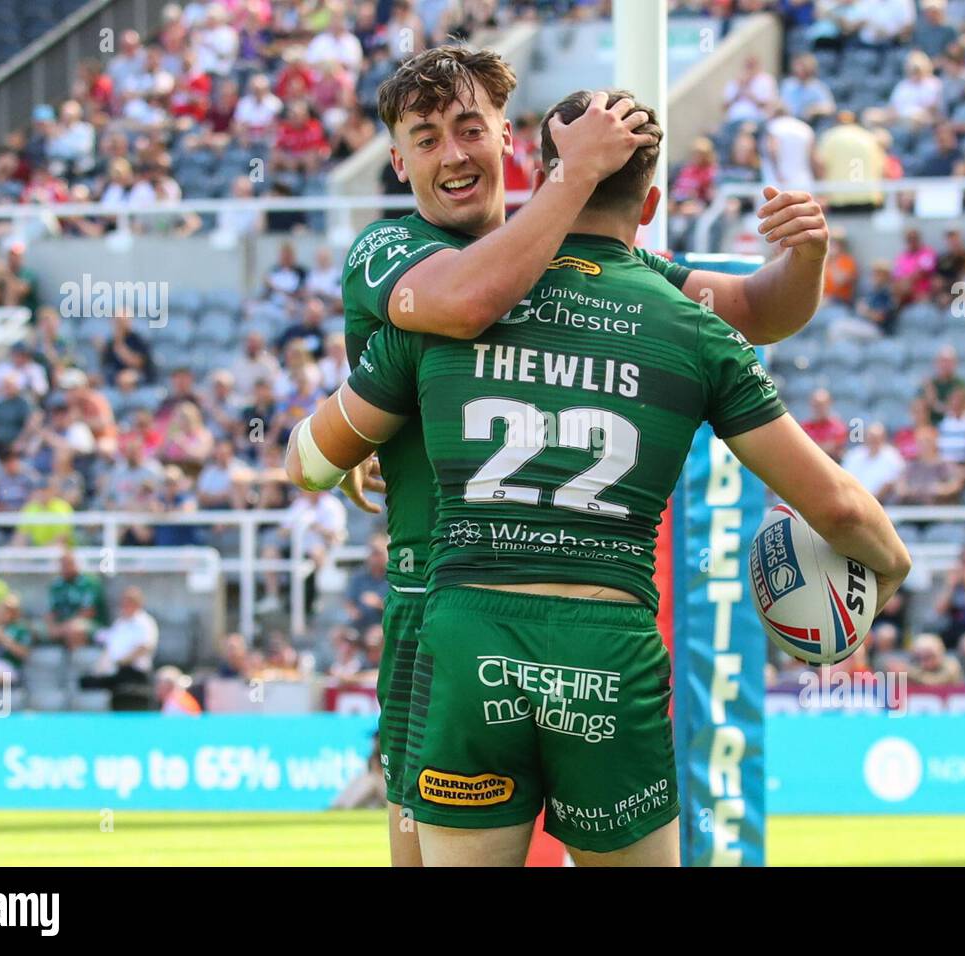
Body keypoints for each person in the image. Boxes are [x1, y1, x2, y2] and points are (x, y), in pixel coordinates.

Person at [287, 88, 909, 867]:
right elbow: (839, 506)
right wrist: (893, 566)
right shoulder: (691, 328)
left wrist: (355, 452)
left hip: (467, 629)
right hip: (608, 644)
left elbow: (307, 458)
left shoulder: (441, 310)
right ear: (650, 205)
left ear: (540, 168)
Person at [79, 586, 159, 709]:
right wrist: (100, 668)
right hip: (116, 671)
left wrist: (123, 661)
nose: (125, 605)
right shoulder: (120, 623)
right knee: (85, 681)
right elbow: (109, 648)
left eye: (129, 602)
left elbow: (145, 646)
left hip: (134, 673)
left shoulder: (144, 622)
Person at [46, 548, 110, 650]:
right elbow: (51, 612)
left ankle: (76, 662)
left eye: (68, 564)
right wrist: (52, 627)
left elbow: (88, 612)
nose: (65, 568)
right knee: (35, 629)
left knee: (75, 630)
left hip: (90, 625)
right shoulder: (57, 585)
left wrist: (65, 627)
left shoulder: (89, 583)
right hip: (63, 624)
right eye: (62, 564)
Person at [841, 422, 904, 501]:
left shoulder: (892, 457)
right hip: (854, 501)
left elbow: (890, 482)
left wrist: (870, 502)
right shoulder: (854, 456)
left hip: (882, 504)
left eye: (876, 438)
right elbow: (846, 480)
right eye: (871, 438)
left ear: (883, 438)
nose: (873, 441)